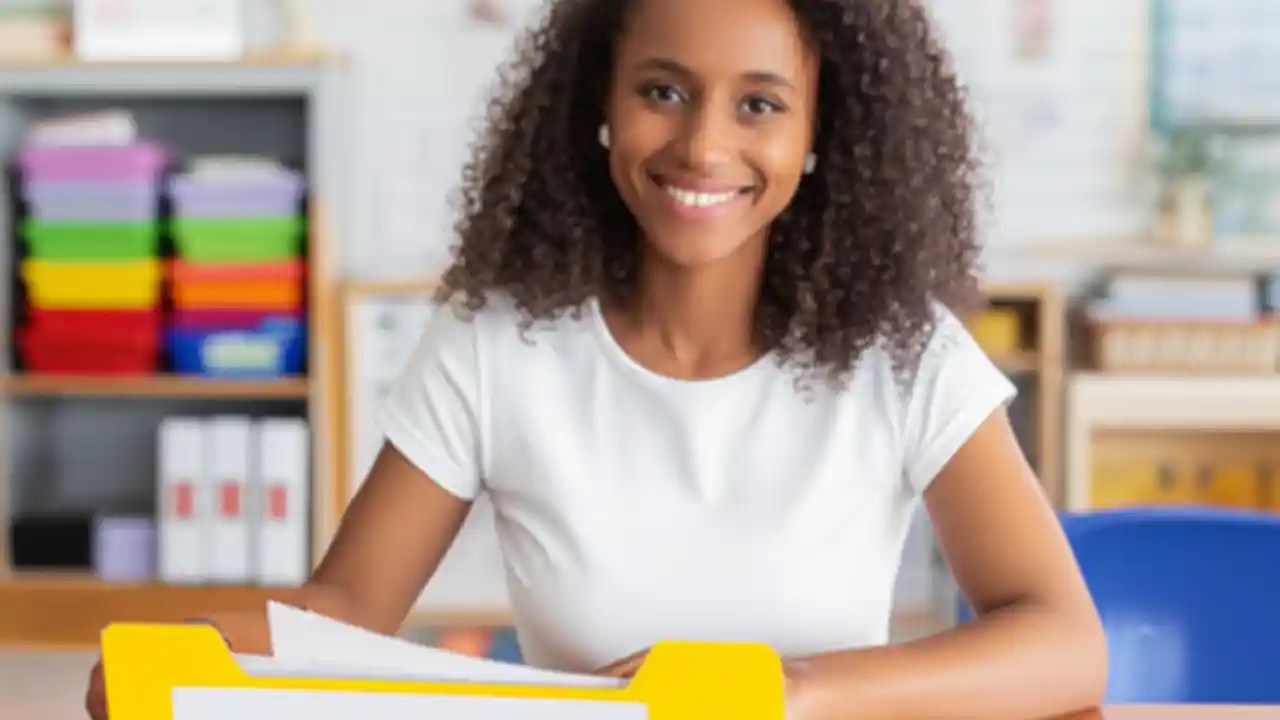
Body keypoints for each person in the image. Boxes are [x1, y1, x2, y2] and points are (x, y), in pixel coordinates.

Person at [86, 0, 1108, 717]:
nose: (703, 148)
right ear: (601, 106)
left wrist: (787, 694)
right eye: (663, 90)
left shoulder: (903, 352)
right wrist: (180, 656)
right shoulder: (495, 341)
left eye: (758, 104)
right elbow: (348, 614)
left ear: (816, 136)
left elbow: (1063, 644)